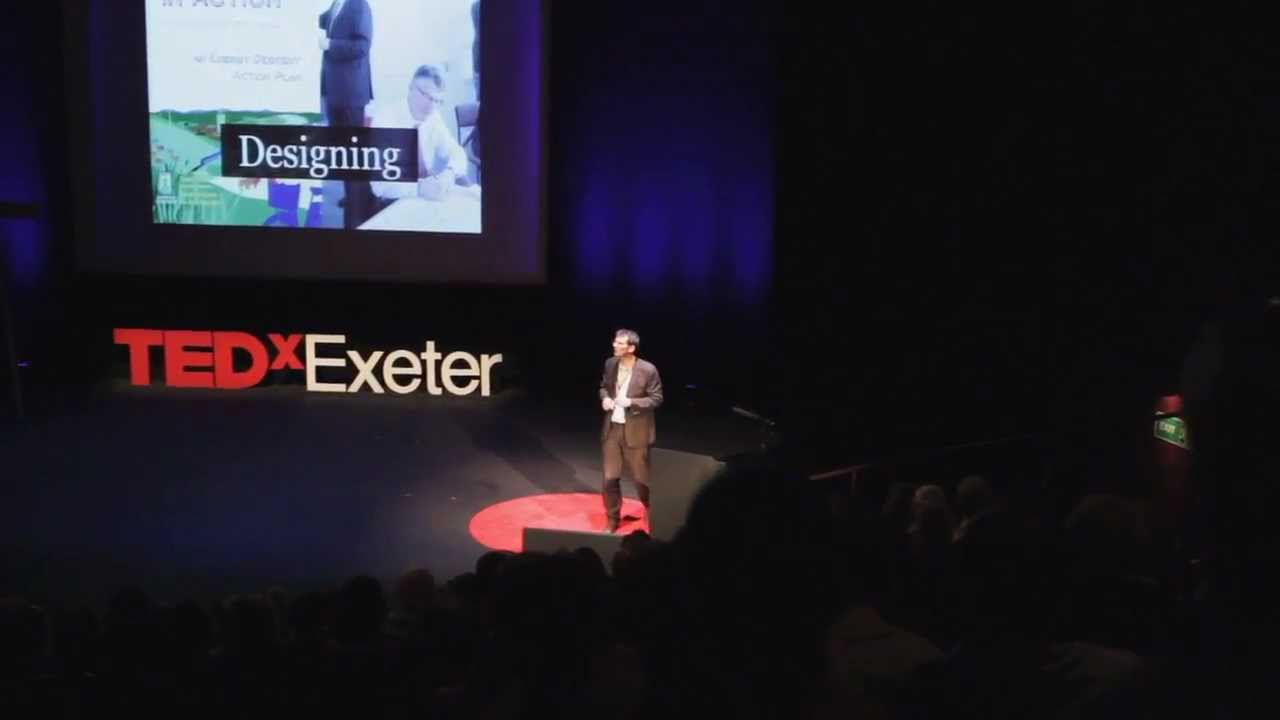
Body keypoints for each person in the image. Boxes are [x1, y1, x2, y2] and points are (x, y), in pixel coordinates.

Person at [368, 65, 470, 208]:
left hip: (426, 196)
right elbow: (379, 186)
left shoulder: (433, 116)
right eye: (426, 95)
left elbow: (456, 151)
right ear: (410, 88)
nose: (430, 105)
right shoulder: (384, 120)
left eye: (436, 100)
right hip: (394, 199)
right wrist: (419, 188)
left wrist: (450, 173)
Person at [598, 329, 663, 533]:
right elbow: (603, 387)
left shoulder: (648, 369)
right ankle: (612, 519)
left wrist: (631, 402)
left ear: (631, 348)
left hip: (636, 432)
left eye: (620, 343)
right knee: (610, 478)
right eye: (615, 342)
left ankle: (654, 514)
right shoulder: (610, 364)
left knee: (642, 481)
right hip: (612, 430)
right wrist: (605, 399)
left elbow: (656, 398)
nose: (614, 345)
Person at [318, 0, 373, 228]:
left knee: (353, 155)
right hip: (334, 92)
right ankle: (356, 198)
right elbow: (322, 22)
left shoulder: (359, 5)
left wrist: (330, 43)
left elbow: (362, 47)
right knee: (342, 153)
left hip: (351, 94)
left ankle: (357, 215)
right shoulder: (335, 4)